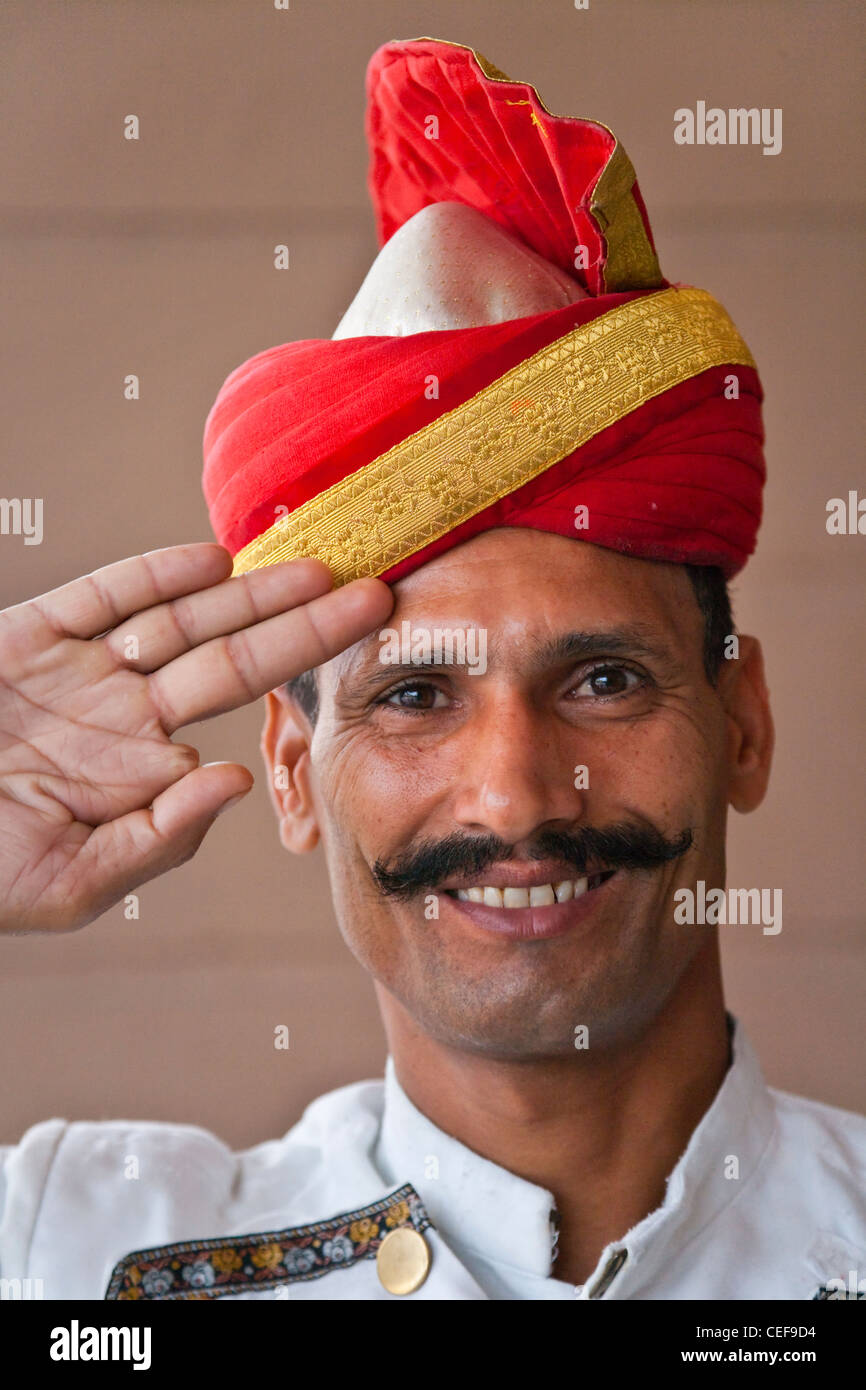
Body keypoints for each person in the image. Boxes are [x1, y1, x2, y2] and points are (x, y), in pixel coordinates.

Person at [1, 37, 863, 1303]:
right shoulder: (66, 1253)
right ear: (292, 774)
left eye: (602, 681)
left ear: (741, 723)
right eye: (413, 696)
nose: (514, 800)